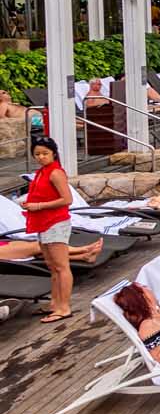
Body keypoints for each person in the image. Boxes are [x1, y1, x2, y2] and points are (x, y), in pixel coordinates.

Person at [19, 137, 86, 323]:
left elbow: (67, 199)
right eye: (37, 154)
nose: (41, 157)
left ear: (53, 154)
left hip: (55, 222)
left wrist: (38, 206)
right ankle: (55, 303)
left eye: (45, 153)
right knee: (52, 266)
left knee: (61, 266)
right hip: (44, 222)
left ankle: (64, 307)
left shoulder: (55, 172)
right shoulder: (41, 172)